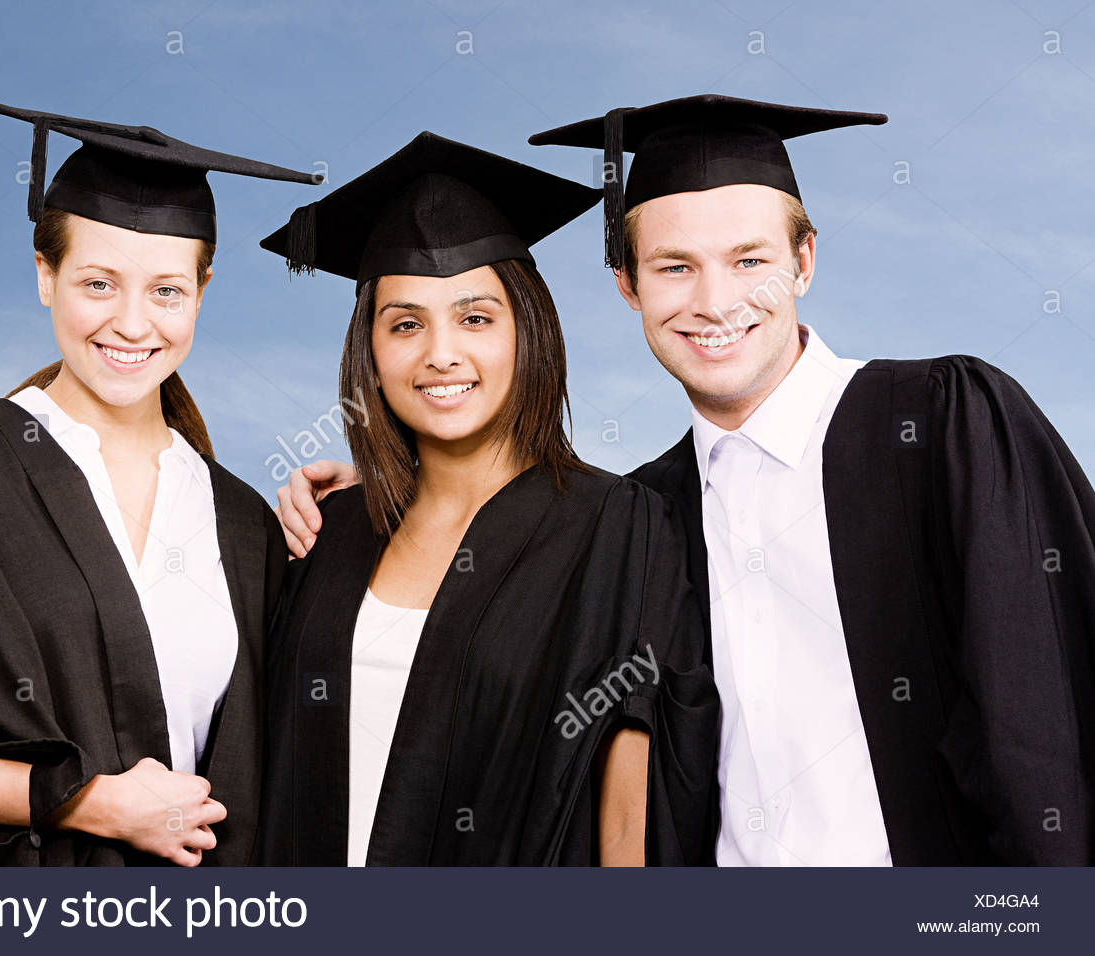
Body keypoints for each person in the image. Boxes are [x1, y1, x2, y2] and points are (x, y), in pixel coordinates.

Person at [279, 94, 1095, 865]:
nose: (715, 302)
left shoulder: (941, 426)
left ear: (804, 261)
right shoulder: (639, 517)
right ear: (627, 285)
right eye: (674, 267)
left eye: (750, 260)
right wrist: (393, 489)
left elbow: (1043, 722)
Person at [0, 95, 318, 865]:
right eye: (98, 283)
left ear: (202, 292)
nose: (133, 323)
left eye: (167, 290)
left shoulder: (241, 523)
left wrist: (353, 527)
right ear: (46, 274)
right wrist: (95, 804)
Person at [256, 132, 718, 866]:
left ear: (527, 329)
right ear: (369, 350)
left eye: (475, 318)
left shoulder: (615, 528)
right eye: (406, 323)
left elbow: (628, 804)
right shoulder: (330, 532)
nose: (441, 353)